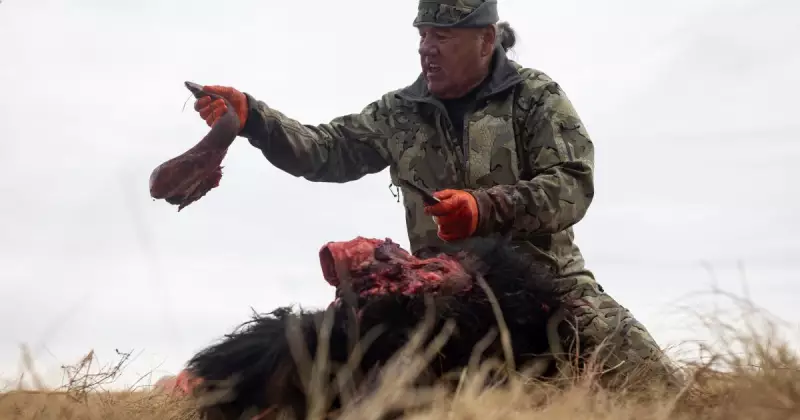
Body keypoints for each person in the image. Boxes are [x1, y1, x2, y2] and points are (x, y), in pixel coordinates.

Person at [191, 0, 683, 391]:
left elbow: (573, 184)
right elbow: (325, 152)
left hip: (548, 285)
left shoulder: (535, 97)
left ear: (486, 39)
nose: (427, 48)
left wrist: (485, 208)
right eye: (423, 34)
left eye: (442, 36)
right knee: (309, 364)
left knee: (654, 384)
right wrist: (253, 118)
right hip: (434, 291)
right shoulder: (398, 112)